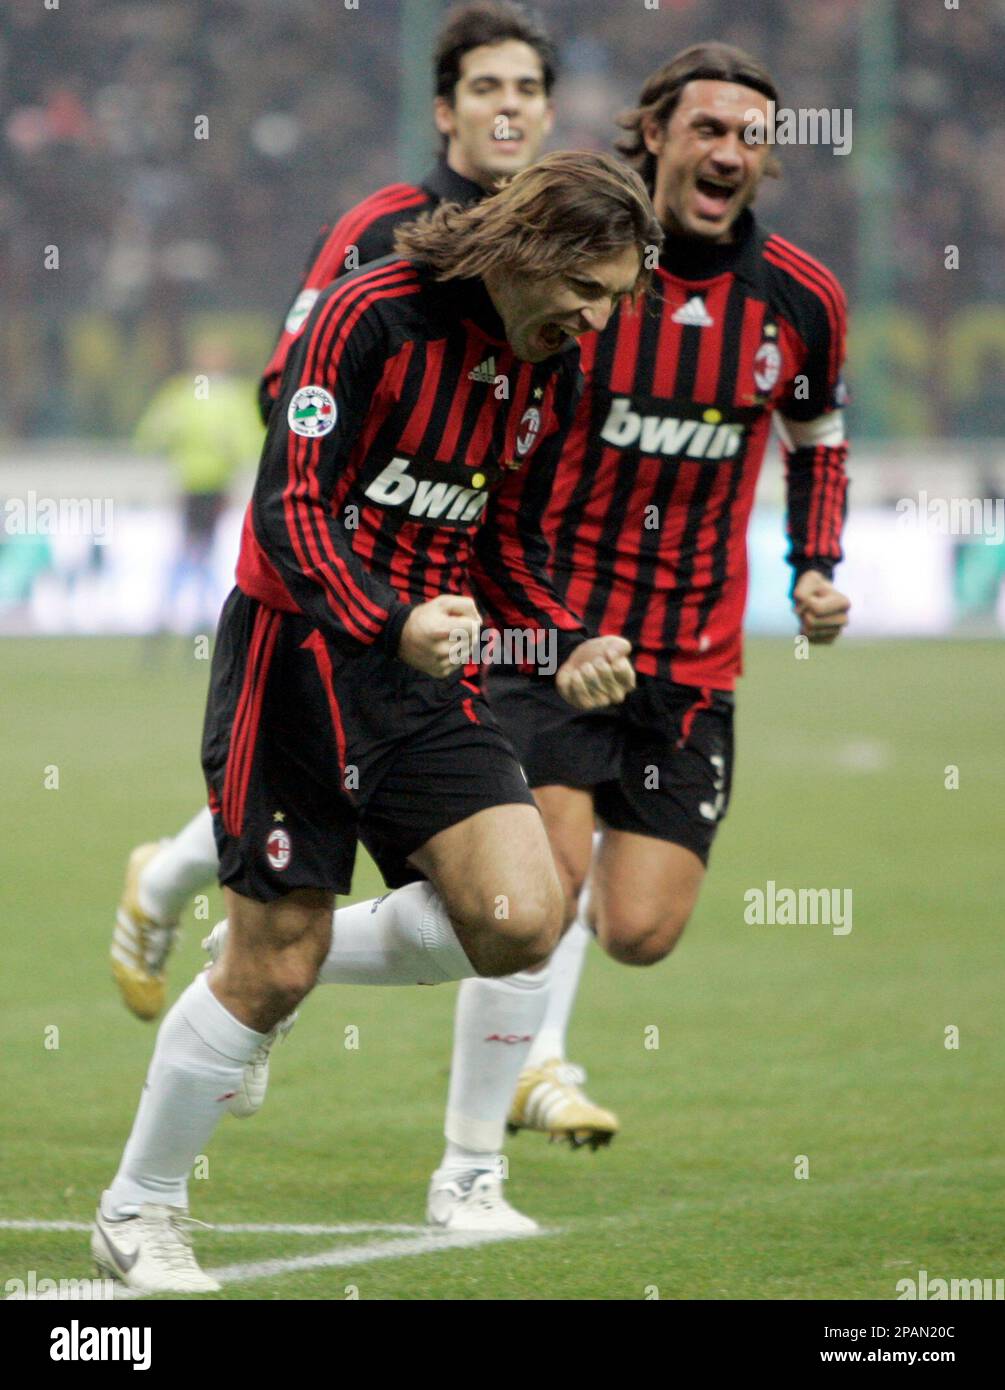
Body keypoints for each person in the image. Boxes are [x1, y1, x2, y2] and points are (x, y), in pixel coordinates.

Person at [91, 150, 663, 1294]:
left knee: (520, 918)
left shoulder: (551, 374)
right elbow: (290, 504)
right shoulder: (370, 314)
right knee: (278, 963)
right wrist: (387, 616)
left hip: (420, 676)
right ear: (534, 248)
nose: (597, 320)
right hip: (295, 654)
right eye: (588, 290)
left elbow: (507, 542)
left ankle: (243, 965)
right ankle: (138, 1210)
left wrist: (566, 637)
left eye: (617, 300)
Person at [111, 0, 560, 1012]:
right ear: (445, 110)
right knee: (292, 825)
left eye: (527, 90)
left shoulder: (556, 257)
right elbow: (290, 389)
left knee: (513, 873)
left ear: (549, 113)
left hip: (446, 611)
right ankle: (206, 921)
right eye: (485, 87)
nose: (507, 108)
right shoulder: (378, 228)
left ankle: (509, 1086)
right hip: (333, 586)